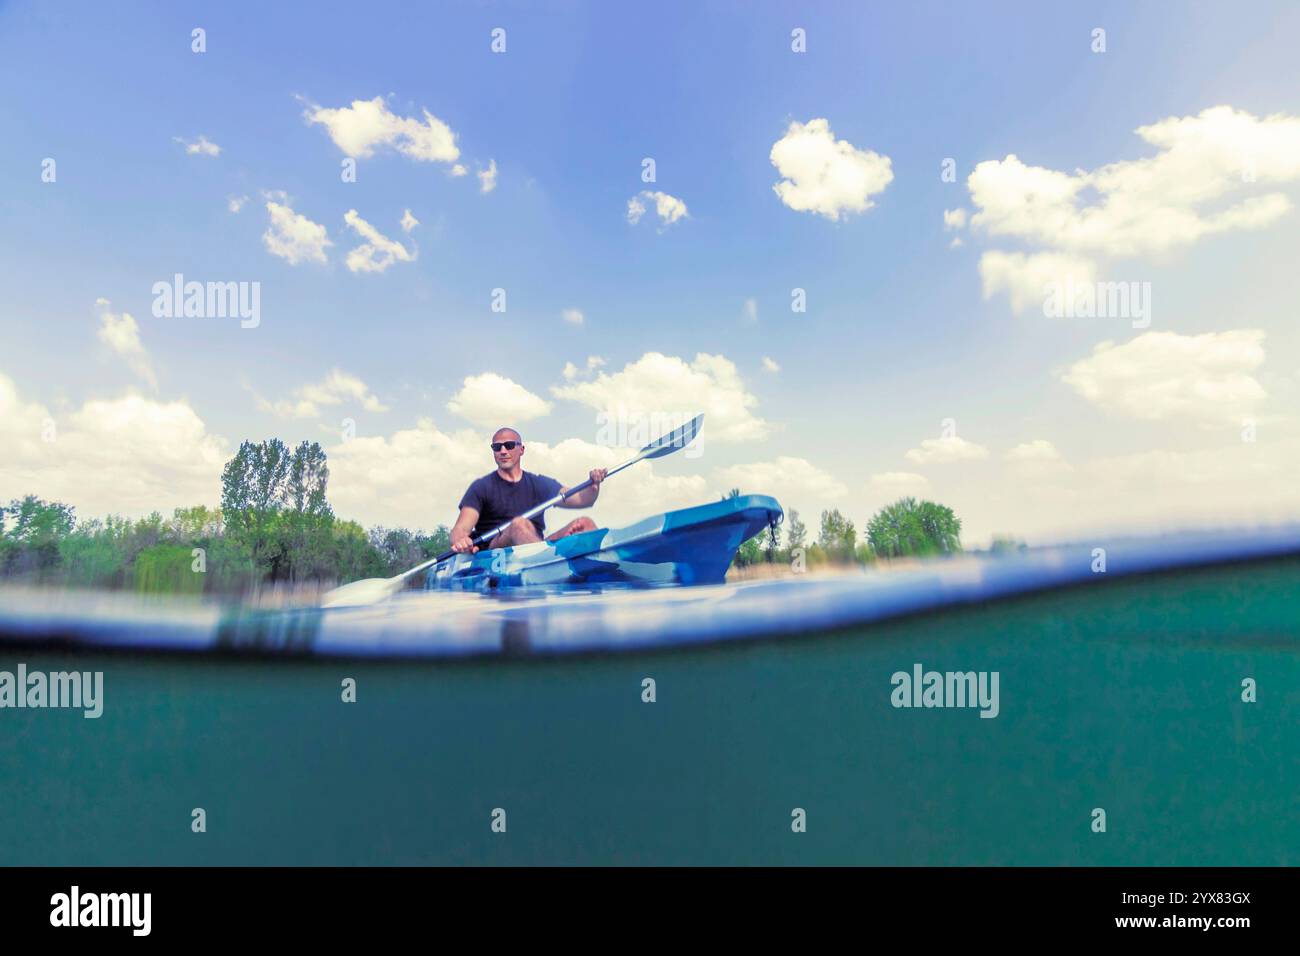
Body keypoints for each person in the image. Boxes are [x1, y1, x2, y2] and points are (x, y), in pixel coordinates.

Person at [449, 427, 607, 554]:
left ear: (521, 449)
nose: (503, 451)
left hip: (537, 546)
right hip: (496, 551)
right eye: (497, 447)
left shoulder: (539, 483)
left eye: (509, 445)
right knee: (519, 524)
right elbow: (460, 529)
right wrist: (461, 540)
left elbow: (583, 499)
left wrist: (594, 485)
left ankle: (600, 568)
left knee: (585, 523)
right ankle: (545, 559)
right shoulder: (481, 487)